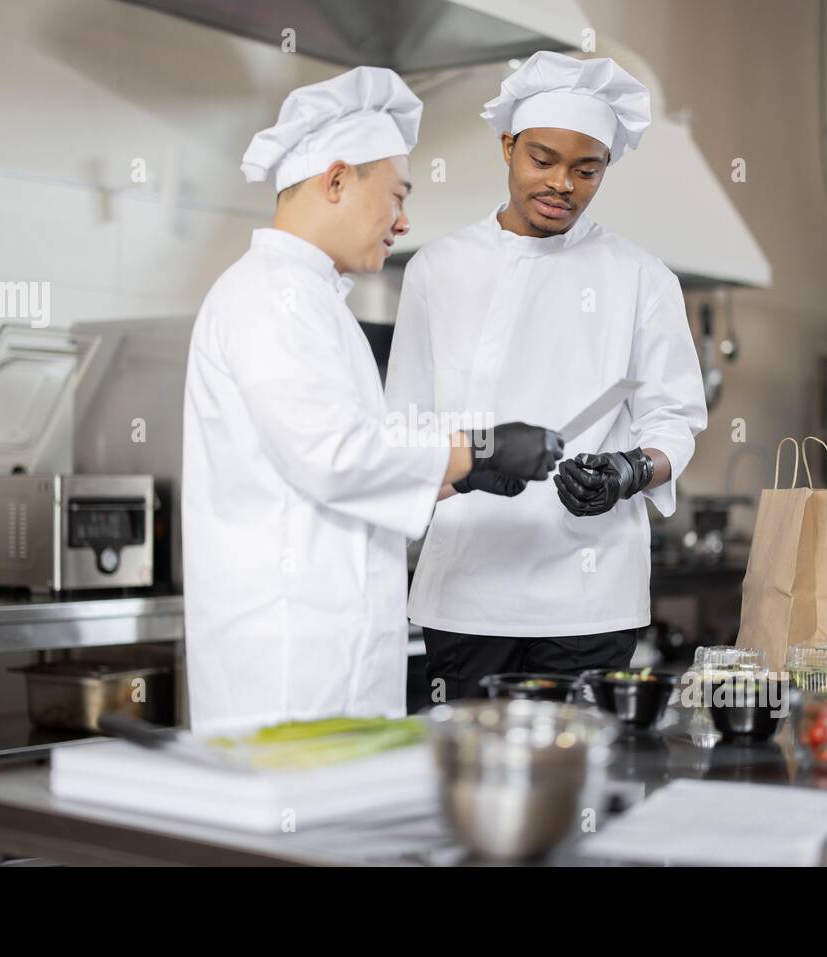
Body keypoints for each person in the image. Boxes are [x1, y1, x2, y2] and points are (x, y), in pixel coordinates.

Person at [182, 66, 563, 732]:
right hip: (285, 664)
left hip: (332, 652)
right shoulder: (269, 297)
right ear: (336, 180)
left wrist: (463, 477)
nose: (404, 220)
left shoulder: (317, 304)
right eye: (396, 196)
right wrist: (475, 448)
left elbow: (357, 462)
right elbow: (332, 455)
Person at [384, 52, 707, 701]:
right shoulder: (436, 271)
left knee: (579, 783)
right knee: (471, 784)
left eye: (586, 169)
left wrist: (629, 471)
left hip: (590, 599)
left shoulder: (642, 278)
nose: (563, 183)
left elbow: (676, 421)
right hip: (466, 590)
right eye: (543, 159)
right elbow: (405, 426)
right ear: (507, 145)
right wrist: (471, 463)